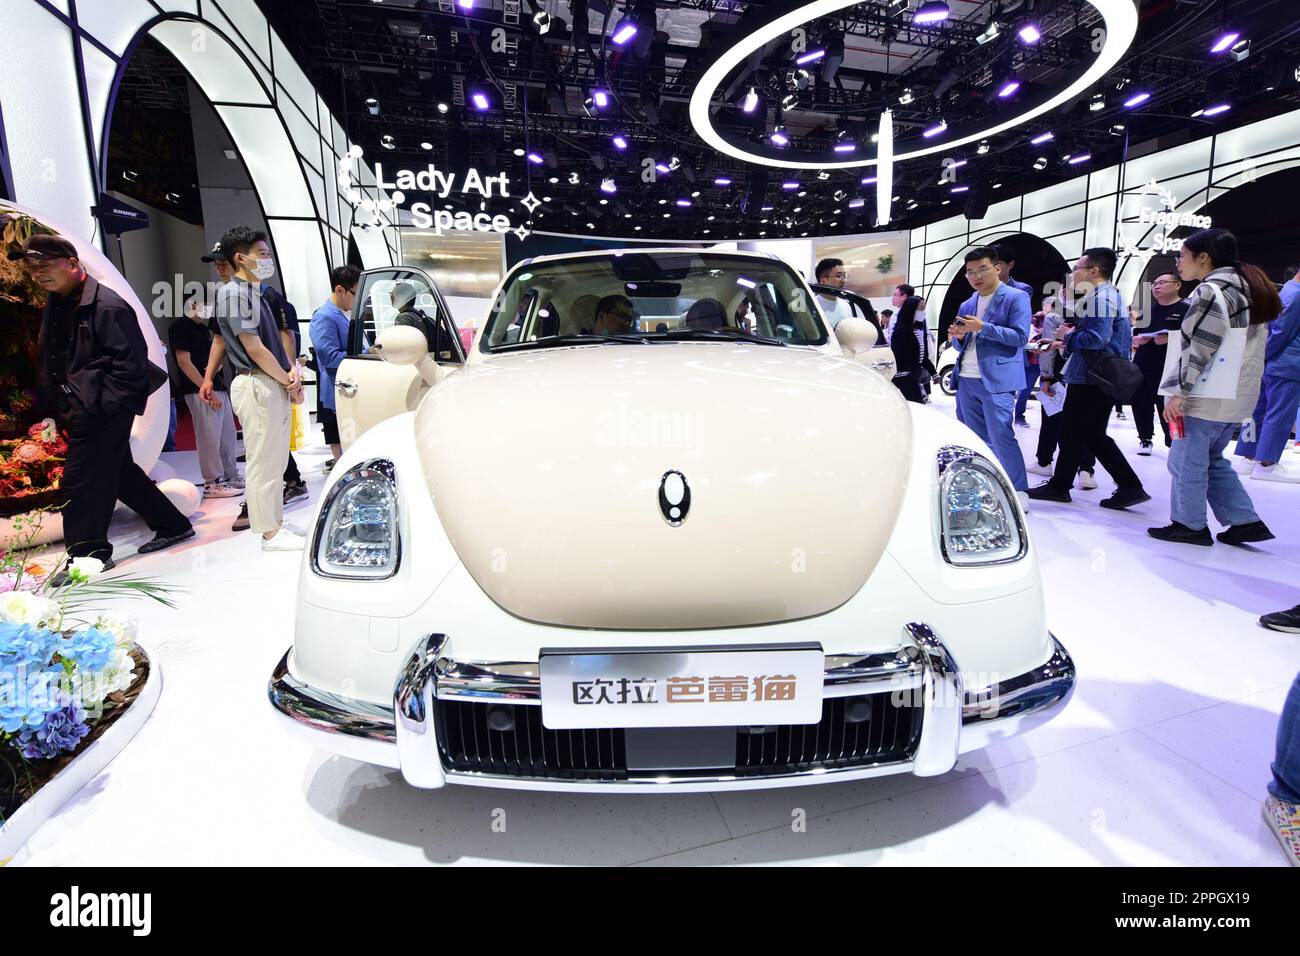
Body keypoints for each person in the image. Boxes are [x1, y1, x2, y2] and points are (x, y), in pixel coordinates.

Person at [11, 234, 194, 579]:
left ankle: (88, 555)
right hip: (81, 405)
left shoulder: (107, 305)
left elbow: (131, 368)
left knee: (81, 480)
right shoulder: (60, 299)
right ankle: (173, 524)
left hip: (102, 408)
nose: (38, 274)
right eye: (33, 268)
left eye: (45, 266)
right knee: (119, 472)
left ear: (73, 264)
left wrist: (99, 404)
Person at [1148, 228, 1279, 545]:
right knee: (1212, 459)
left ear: (1203, 257)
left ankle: (1189, 525)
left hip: (1206, 395)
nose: (1178, 262)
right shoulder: (1249, 288)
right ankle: (1244, 520)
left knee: (1185, 461)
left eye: (1183, 255)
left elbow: (1201, 347)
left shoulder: (1212, 291)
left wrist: (1179, 392)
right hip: (1234, 394)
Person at [1028, 247, 1150, 510]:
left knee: (1073, 432)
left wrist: (1066, 336)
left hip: (1091, 377)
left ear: (1094, 270)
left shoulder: (1100, 298)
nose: (1074, 273)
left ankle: (1061, 486)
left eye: (1077, 268)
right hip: (1099, 376)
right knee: (1092, 435)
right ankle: (1129, 485)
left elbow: (1097, 339)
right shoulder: (1110, 295)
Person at [208, 226, 305, 551]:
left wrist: (289, 377)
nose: (267, 260)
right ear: (240, 258)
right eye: (261, 255)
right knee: (264, 460)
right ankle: (269, 533)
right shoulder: (234, 294)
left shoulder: (254, 293)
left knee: (276, 460)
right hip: (255, 381)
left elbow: (273, 345)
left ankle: (274, 521)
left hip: (269, 381)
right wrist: (286, 378)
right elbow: (255, 349)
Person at [949, 246, 1032, 506]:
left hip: (997, 380)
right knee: (976, 439)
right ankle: (985, 484)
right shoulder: (967, 303)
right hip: (966, 377)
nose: (976, 276)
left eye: (982, 269)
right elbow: (961, 344)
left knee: (1002, 436)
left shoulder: (1016, 297)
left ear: (997, 268)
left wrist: (983, 327)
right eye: (970, 272)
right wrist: (958, 337)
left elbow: (1020, 338)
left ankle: (1019, 490)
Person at [1234, 263, 1300, 482]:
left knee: (1258, 410)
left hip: (1272, 362)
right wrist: (1264, 356)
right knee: (1279, 413)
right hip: (1286, 364)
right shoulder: (1296, 294)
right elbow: (1280, 333)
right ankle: (1267, 463)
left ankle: (1249, 456)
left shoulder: (1286, 291)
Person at [169, 293, 240, 498]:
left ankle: (230, 475)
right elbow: (184, 362)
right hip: (199, 391)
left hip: (218, 387)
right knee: (209, 438)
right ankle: (212, 482)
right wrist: (205, 387)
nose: (209, 310)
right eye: (206, 305)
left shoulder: (203, 329)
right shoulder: (180, 327)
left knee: (227, 435)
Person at [1027, 296, 1099, 490]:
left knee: (1052, 417)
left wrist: (1046, 377)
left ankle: (1045, 463)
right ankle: (1085, 471)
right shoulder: (1098, 310)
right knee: (1086, 423)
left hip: (1062, 370)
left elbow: (1048, 349)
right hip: (1091, 372)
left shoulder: (1056, 315)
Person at [1130, 272, 1188, 453]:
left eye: (1162, 282)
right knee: (1140, 402)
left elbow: (1194, 337)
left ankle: (1175, 441)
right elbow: (1135, 333)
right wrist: (1135, 340)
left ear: (1177, 285)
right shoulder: (1147, 312)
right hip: (1143, 365)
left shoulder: (1187, 309)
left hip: (1170, 367)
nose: (1156, 286)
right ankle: (1145, 438)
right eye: (1154, 283)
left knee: (1168, 405)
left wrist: (1170, 338)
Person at [309, 264, 360, 467]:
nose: (357, 299)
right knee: (344, 446)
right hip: (340, 391)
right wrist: (364, 357)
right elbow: (330, 357)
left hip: (348, 387)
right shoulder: (324, 317)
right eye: (355, 293)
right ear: (340, 290)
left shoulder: (339, 314)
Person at [889, 294, 925, 403]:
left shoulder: (915, 329)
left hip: (913, 377)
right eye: (921, 309)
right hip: (906, 379)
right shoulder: (901, 331)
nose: (923, 312)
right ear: (911, 310)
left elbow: (921, 356)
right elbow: (898, 357)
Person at [813, 258, 852, 328]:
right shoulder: (813, 306)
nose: (844, 280)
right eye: (839, 276)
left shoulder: (846, 305)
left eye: (844, 276)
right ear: (823, 280)